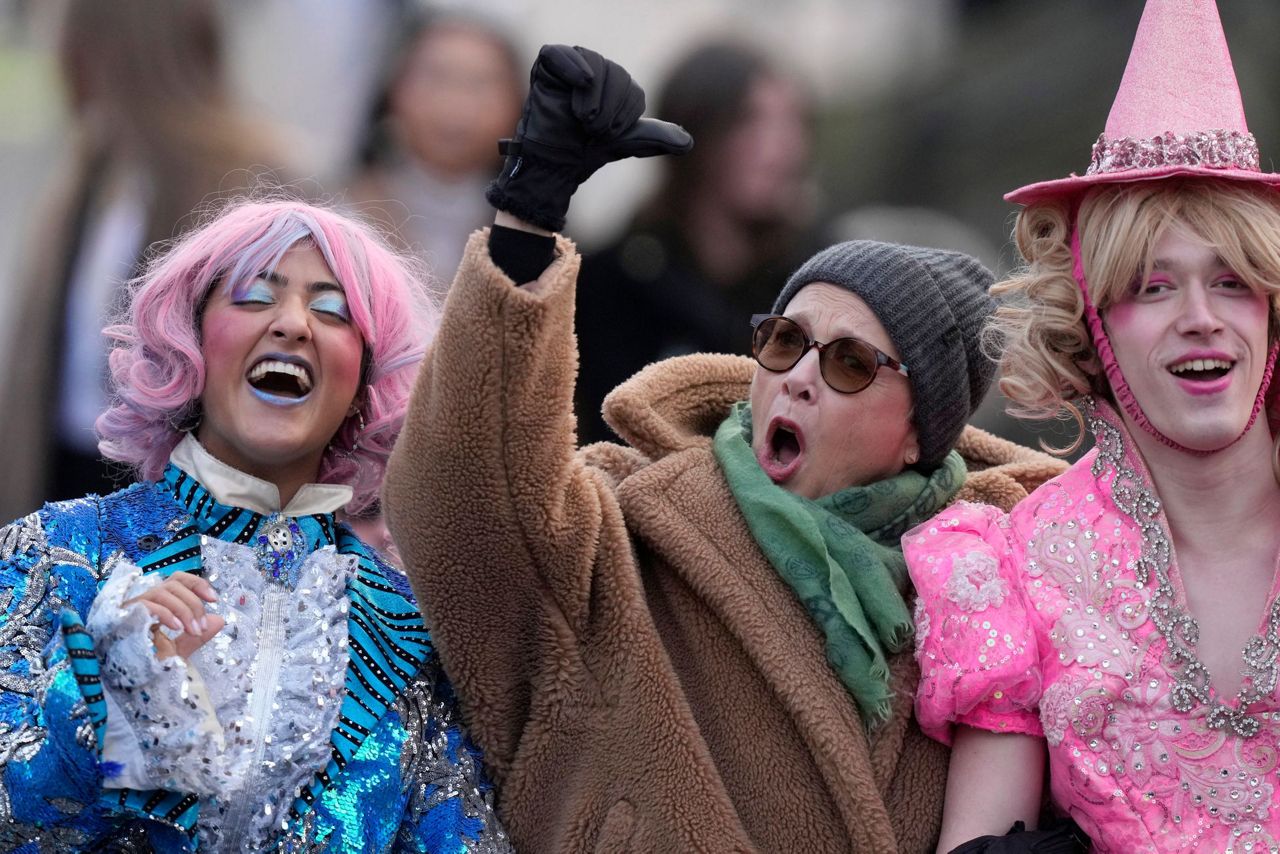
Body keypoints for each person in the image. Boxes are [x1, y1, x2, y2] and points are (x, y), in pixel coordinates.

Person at [383, 45, 1063, 852]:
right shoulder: (628, 537)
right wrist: (526, 219)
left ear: (922, 426)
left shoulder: (1002, 585)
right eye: (783, 342)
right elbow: (460, 505)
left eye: (849, 361)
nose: (802, 376)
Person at [0, 199, 508, 851]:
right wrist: (111, 684)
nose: (294, 325)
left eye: (332, 311)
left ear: (363, 381)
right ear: (192, 341)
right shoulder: (57, 558)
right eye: (252, 297)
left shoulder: (405, 631)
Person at [906, 1, 1280, 851]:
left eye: (1232, 282)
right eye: (1152, 286)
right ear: (1094, 325)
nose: (1199, 318)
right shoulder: (1014, 566)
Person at [0, 0, 294, 520]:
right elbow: (42, 350)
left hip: (171, 495)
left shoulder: (248, 182)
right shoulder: (97, 163)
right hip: (62, 468)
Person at [575, 39, 824, 443]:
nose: (784, 146)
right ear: (696, 127)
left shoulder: (818, 280)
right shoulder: (613, 280)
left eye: (794, 122)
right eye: (749, 120)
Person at [347, 8, 523, 284]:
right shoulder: (344, 215)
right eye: (435, 77)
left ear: (517, 106)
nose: (455, 104)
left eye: (480, 85)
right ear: (395, 89)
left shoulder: (537, 245)